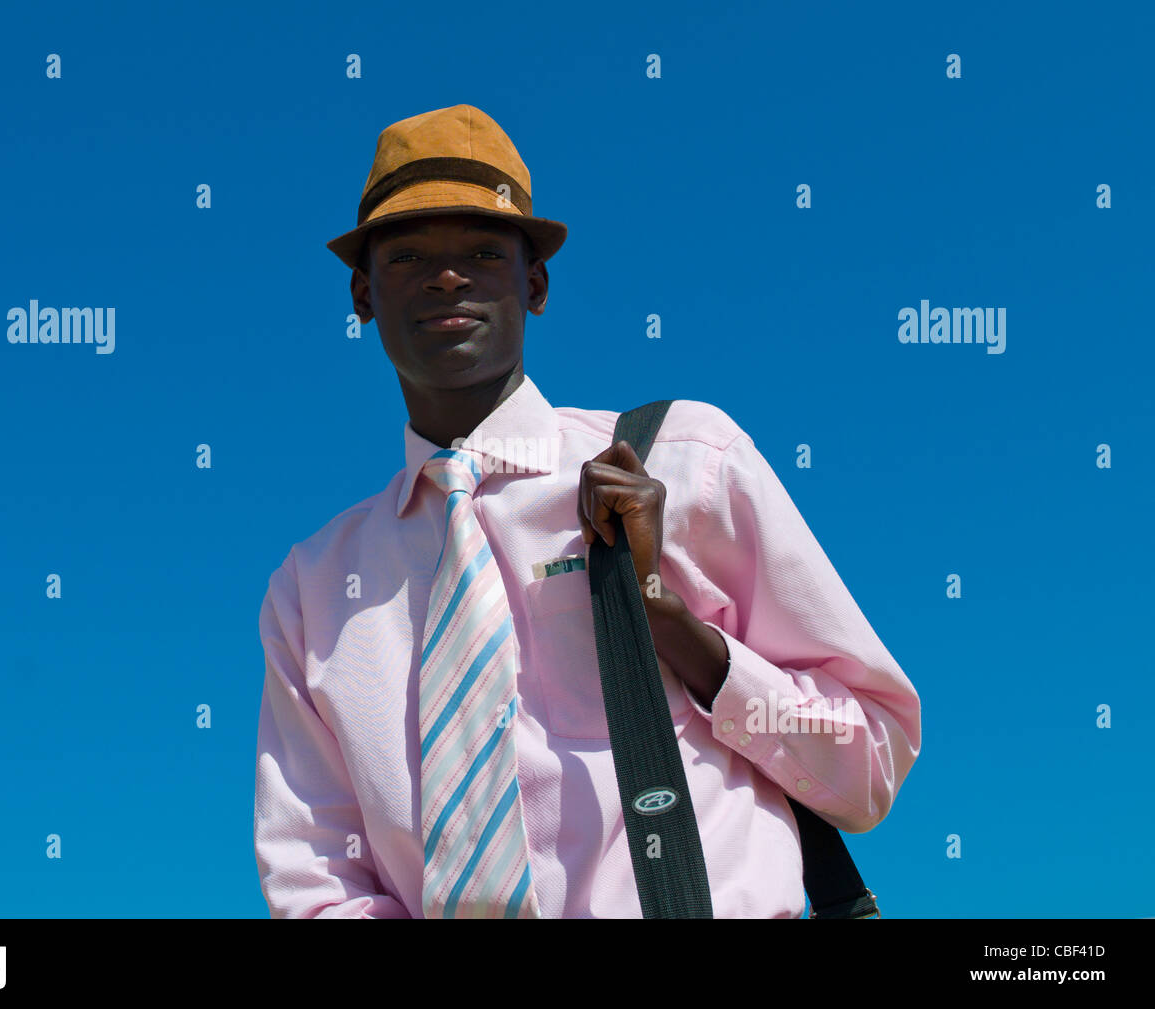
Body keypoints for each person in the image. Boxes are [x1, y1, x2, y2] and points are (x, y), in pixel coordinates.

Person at [253, 104, 921, 918]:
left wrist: (671, 625)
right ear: (361, 294)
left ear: (533, 284)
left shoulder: (685, 461)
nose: (448, 276)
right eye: (411, 255)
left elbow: (871, 761)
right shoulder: (316, 589)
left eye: (482, 252)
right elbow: (318, 877)